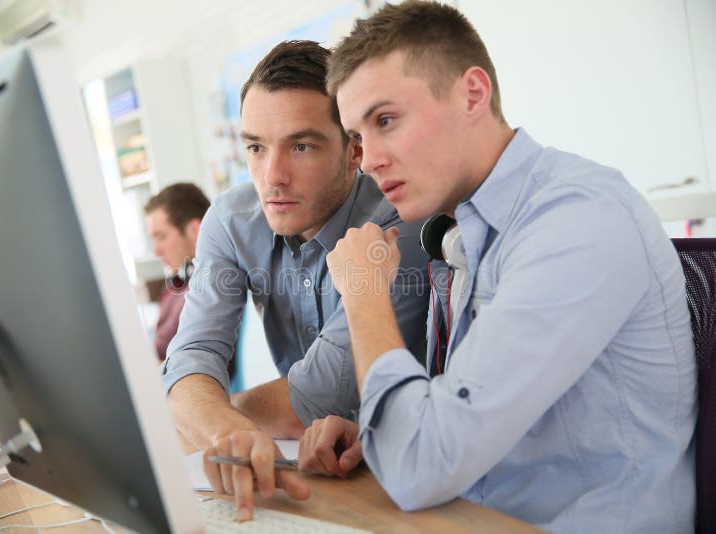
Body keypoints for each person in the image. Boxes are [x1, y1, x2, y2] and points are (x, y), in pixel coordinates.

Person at [299, 2, 697, 531]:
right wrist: (378, 436)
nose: (369, 159)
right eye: (359, 137)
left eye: (386, 120)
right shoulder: (473, 227)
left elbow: (421, 465)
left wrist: (364, 294)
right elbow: (468, 415)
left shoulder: (576, 220)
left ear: (473, 93)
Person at [161, 40, 429, 521]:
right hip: (319, 473)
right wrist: (226, 432)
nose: (272, 177)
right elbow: (190, 359)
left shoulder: (398, 223)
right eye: (256, 148)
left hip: (410, 484)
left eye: (301, 146)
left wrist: (222, 408)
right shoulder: (232, 218)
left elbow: (314, 398)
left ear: (355, 151)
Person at [144, 182, 210, 361]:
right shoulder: (181, 280)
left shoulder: (207, 289)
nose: (156, 250)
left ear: (194, 230)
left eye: (162, 237)